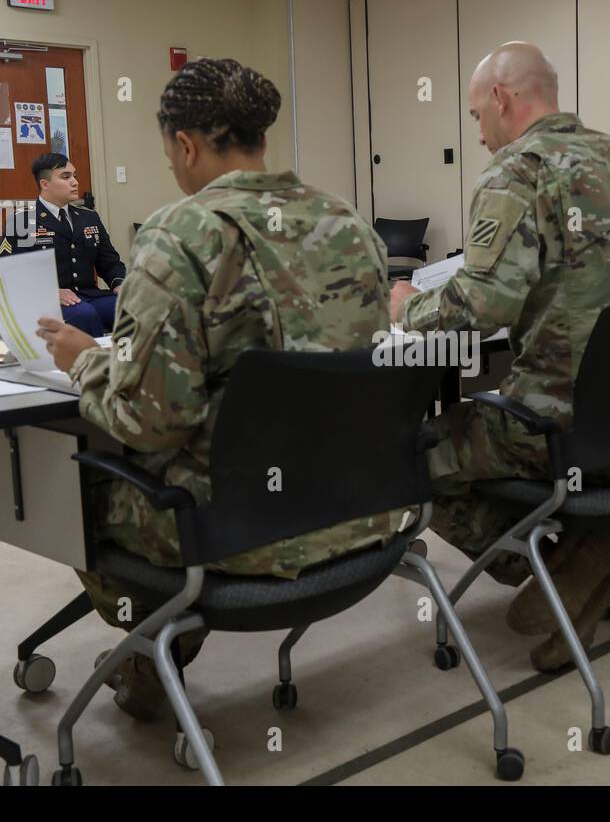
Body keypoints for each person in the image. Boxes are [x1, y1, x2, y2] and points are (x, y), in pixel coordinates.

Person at [36, 58, 395, 718]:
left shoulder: (182, 234)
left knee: (70, 490)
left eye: (170, 154)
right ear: (260, 136)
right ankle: (155, 657)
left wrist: (84, 360)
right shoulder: (349, 222)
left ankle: (154, 649)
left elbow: (153, 422)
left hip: (238, 533)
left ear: (185, 144)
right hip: (359, 513)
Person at [390, 41, 610, 672]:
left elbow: (485, 307)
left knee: (407, 447)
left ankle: (554, 566)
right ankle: (591, 547)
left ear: (500, 99)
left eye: (477, 116)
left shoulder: (518, 169)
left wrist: (404, 309)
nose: (479, 134)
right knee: (492, 422)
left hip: (571, 431)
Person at [2, 152, 126, 337]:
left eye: (74, 175)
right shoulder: (23, 222)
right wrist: (50, 292)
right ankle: (89, 365)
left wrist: (120, 284)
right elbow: (10, 272)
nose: (75, 182)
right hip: (46, 300)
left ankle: (125, 362)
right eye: (66, 177)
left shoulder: (88, 217)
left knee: (130, 309)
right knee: (84, 315)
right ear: (45, 184)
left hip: (89, 295)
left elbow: (109, 261)